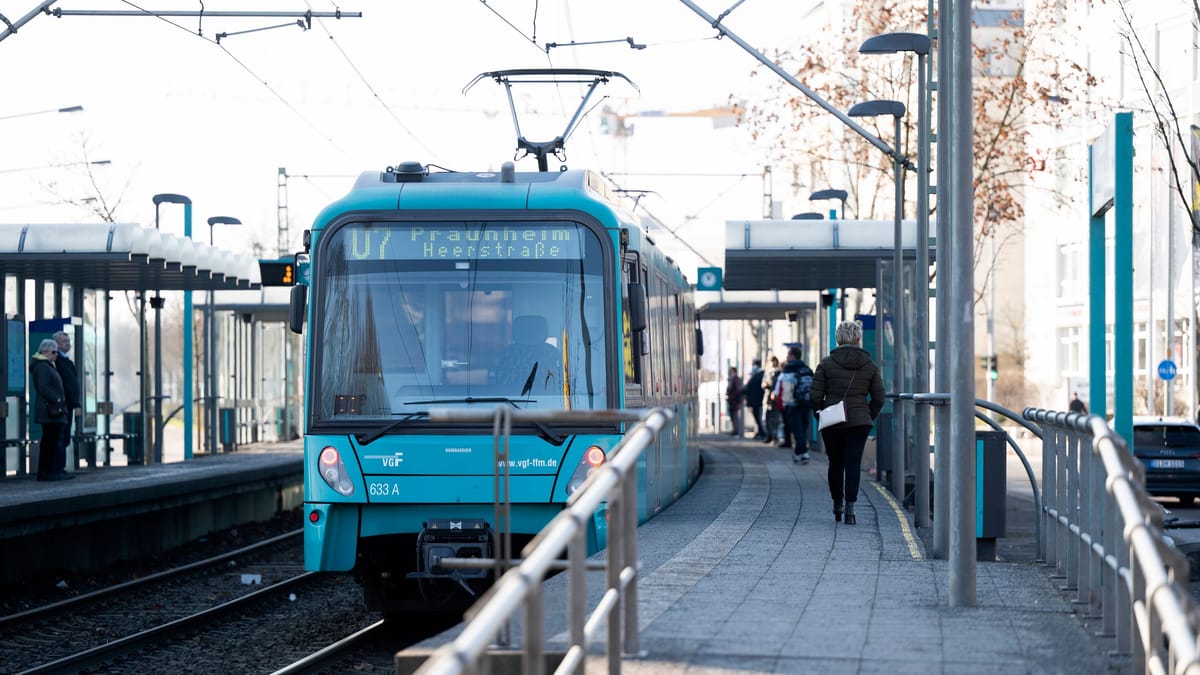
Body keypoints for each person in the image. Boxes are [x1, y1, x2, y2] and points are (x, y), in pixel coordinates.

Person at [810, 320, 884, 525]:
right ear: (858, 338)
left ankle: (837, 504)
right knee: (853, 464)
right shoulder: (869, 365)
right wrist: (867, 414)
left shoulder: (826, 363)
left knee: (835, 463)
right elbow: (879, 397)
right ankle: (851, 509)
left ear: (838, 338)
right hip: (859, 422)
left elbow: (815, 395)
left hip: (833, 421)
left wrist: (821, 414)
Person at [30, 339, 72, 481]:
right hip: (50, 410)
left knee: (54, 441)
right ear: (44, 351)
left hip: (52, 410)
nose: (56, 355)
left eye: (56, 352)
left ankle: (53, 471)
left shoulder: (48, 364)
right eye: (53, 352)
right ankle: (47, 472)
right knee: (50, 441)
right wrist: (58, 399)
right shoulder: (42, 366)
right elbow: (43, 387)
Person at [775, 346, 815, 464]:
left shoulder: (789, 369)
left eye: (788, 355)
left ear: (792, 356)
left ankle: (804, 453)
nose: (787, 357)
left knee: (797, 430)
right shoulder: (806, 368)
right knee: (802, 428)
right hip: (806, 402)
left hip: (793, 404)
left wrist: (785, 403)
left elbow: (787, 388)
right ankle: (799, 453)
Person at [54, 331, 81, 474]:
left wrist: (76, 403)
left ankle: (61, 467)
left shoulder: (68, 362)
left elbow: (73, 384)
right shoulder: (57, 361)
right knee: (60, 437)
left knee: (65, 437)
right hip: (62, 405)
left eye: (68, 341)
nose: (68, 344)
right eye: (65, 341)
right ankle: (58, 468)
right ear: (56, 344)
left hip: (69, 405)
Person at [742, 358, 767, 440]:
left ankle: (762, 432)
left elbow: (751, 386)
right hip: (755, 400)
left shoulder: (759, 375)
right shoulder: (756, 375)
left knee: (758, 417)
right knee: (757, 417)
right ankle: (761, 432)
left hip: (757, 400)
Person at [761, 355, 782, 444]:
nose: (772, 364)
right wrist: (765, 385)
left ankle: (774, 437)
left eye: (774, 361)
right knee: (766, 418)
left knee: (775, 419)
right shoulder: (767, 373)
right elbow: (762, 384)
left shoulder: (779, 372)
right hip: (767, 397)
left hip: (775, 398)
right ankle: (769, 435)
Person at [725, 365, 744, 436]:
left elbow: (736, 390)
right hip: (732, 400)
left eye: (730, 371)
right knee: (733, 416)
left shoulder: (735, 379)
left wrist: (732, 397)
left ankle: (736, 431)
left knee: (735, 416)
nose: (729, 372)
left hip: (734, 401)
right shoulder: (731, 379)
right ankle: (735, 430)